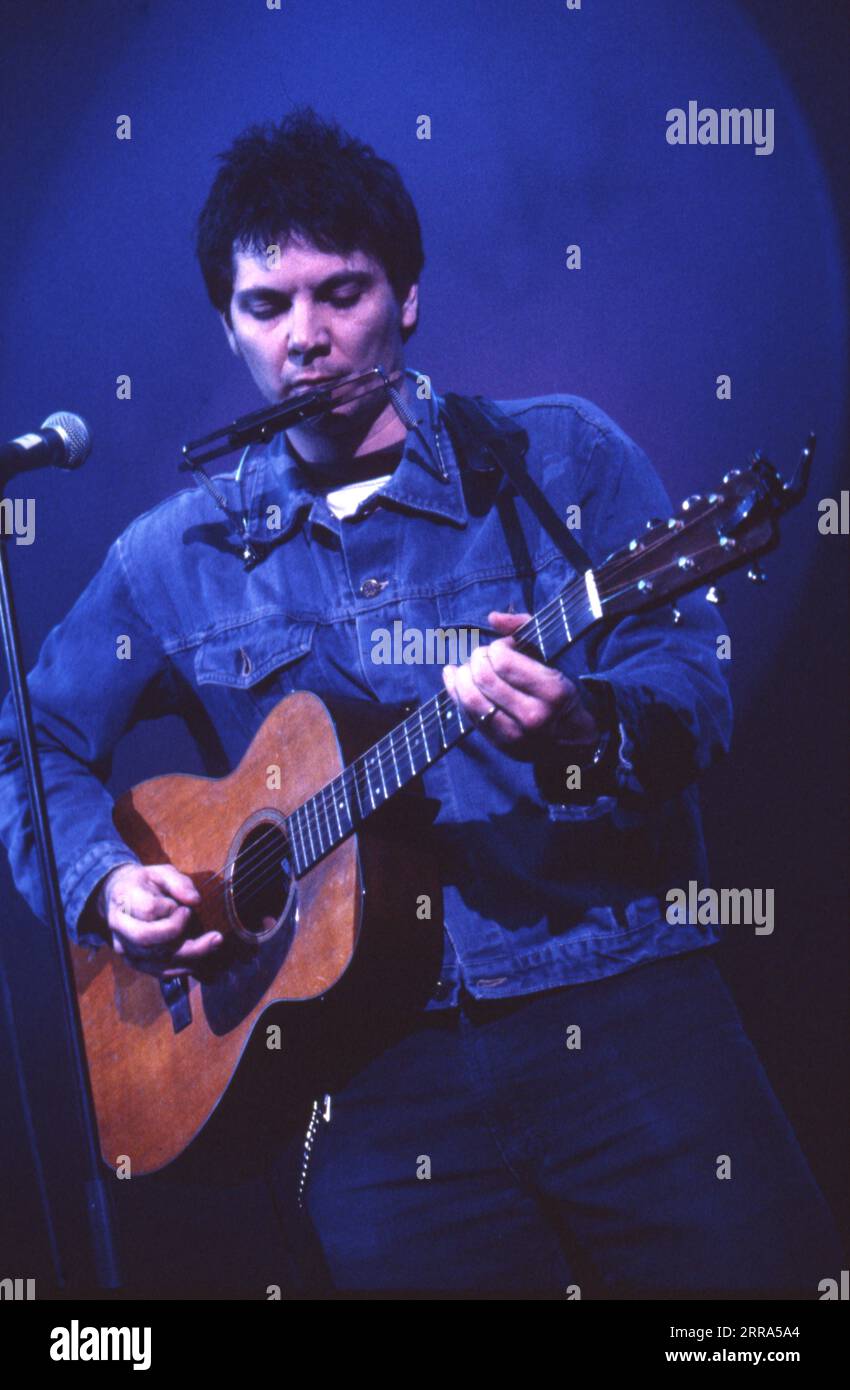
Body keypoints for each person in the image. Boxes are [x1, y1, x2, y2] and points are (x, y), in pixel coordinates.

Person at [0, 107, 841, 1298]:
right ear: (226, 327)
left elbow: (689, 686)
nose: (307, 338)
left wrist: (588, 727)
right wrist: (100, 880)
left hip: (615, 1002)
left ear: (407, 297)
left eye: (341, 293)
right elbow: (26, 746)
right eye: (266, 306)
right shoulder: (169, 554)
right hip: (359, 1083)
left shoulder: (558, 460)